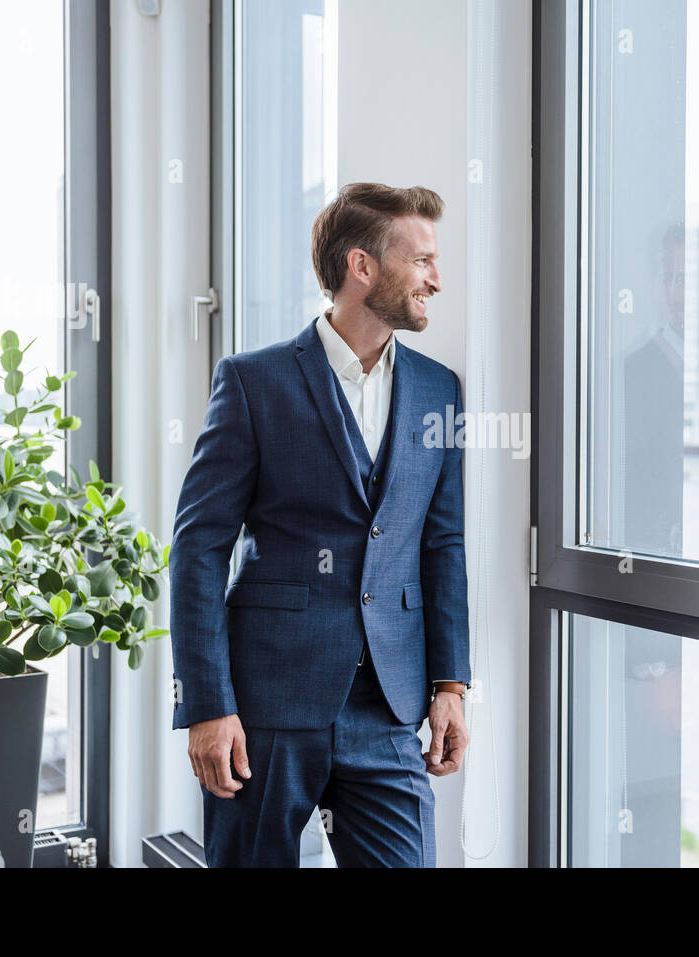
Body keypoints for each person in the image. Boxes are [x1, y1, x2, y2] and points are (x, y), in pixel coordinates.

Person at [169, 183, 471, 867]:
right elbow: (198, 548)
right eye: (421, 260)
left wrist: (450, 684)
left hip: (388, 709)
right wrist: (207, 704)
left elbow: (441, 543)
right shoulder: (254, 382)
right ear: (362, 268)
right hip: (266, 703)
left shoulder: (438, 389)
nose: (437, 279)